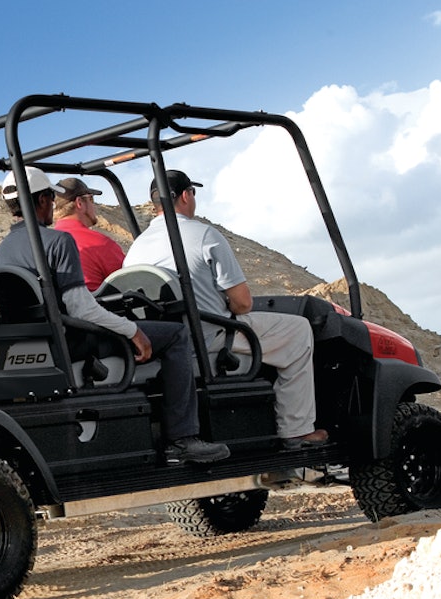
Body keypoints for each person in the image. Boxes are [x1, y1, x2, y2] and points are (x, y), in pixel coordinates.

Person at [0, 166, 228, 465]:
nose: (52, 205)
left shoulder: (1, 252)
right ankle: (181, 438)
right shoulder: (55, 243)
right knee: (175, 335)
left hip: (39, 346)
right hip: (73, 340)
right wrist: (131, 330)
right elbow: (81, 308)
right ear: (41, 200)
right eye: (50, 199)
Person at [123, 170, 327, 449]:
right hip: (210, 335)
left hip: (167, 340)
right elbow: (243, 303)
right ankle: (296, 429)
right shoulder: (205, 234)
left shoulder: (136, 247)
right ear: (186, 195)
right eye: (193, 193)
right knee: (299, 330)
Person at [52, 178, 126, 291]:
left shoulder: (45, 243)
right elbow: (130, 283)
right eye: (91, 199)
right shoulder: (100, 243)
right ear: (79, 203)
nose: (94, 205)